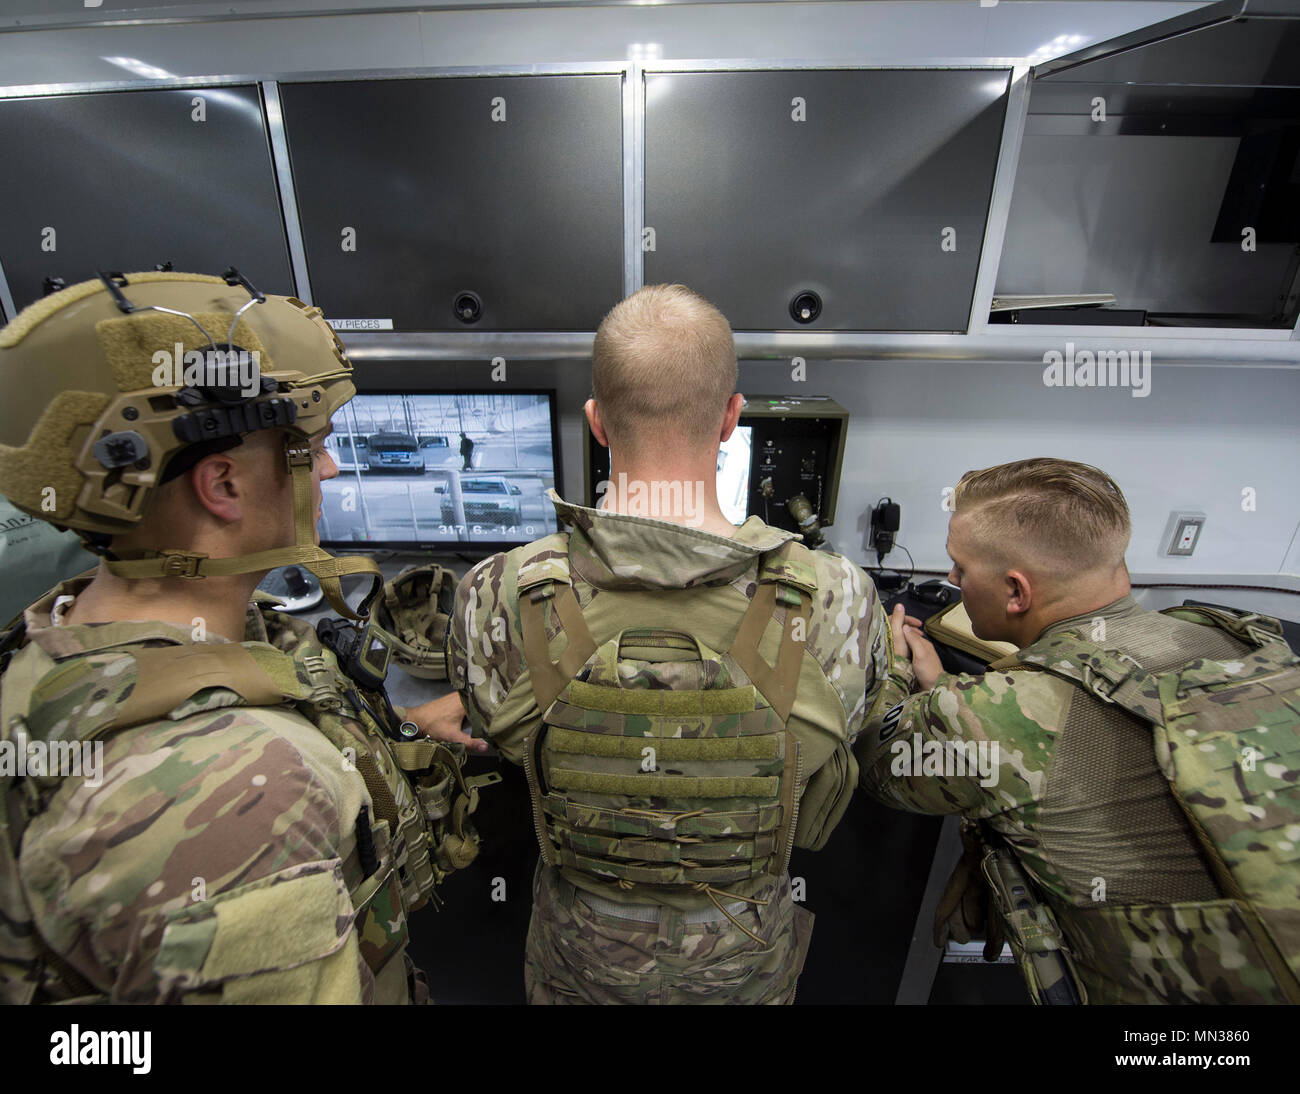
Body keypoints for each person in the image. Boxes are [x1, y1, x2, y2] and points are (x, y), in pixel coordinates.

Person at [0, 270, 486, 1004]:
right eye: (309, 448)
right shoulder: (244, 794)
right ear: (222, 485)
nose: (328, 467)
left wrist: (407, 731)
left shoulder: (57, 636)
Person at [437, 284, 889, 1003]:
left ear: (597, 423)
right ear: (731, 419)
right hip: (740, 961)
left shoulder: (494, 592)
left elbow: (497, 729)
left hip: (582, 960)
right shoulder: (841, 598)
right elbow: (849, 737)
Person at [857, 457, 1300, 1004]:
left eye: (960, 568)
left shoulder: (999, 715)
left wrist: (900, 671)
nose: (951, 581)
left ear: (1016, 593)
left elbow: (878, 761)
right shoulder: (1226, 636)